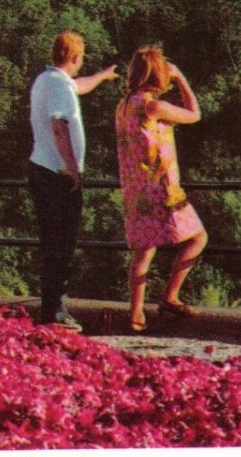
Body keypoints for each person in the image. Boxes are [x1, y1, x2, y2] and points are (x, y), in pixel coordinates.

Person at [28, 31, 118, 331]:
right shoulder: (58, 87)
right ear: (76, 58)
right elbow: (58, 126)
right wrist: (72, 168)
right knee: (61, 245)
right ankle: (54, 311)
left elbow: (76, 87)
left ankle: (52, 307)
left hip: (42, 169)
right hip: (57, 175)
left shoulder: (48, 80)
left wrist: (102, 77)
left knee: (52, 242)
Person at [114, 46, 207, 332]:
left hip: (135, 191)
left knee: (144, 253)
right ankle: (170, 295)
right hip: (163, 190)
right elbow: (194, 114)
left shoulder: (124, 104)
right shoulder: (153, 106)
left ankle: (136, 313)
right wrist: (180, 79)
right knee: (198, 238)